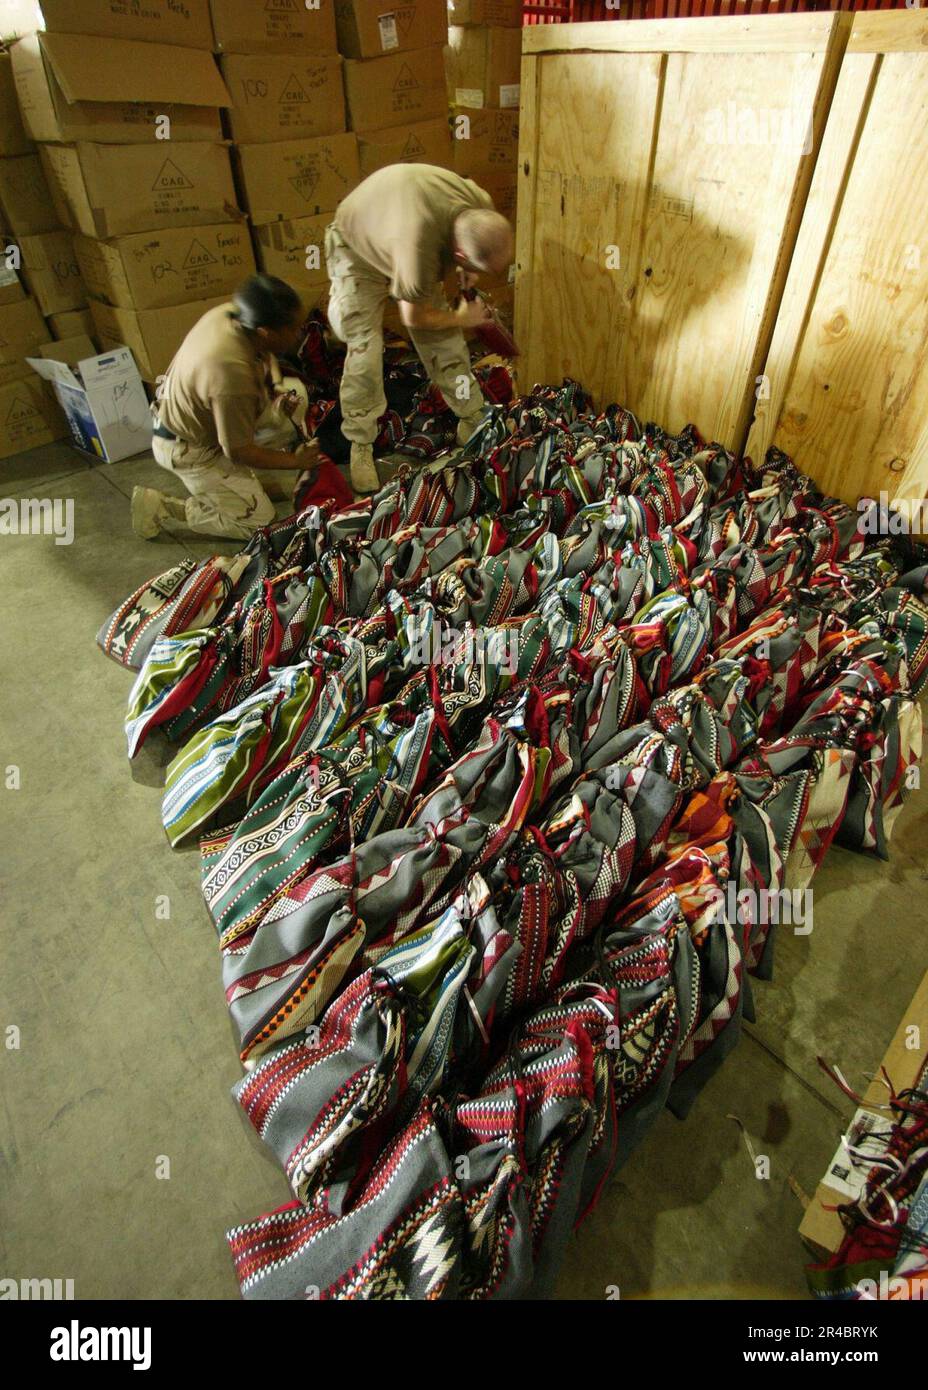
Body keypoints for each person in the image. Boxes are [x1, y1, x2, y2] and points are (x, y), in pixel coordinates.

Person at [325, 163, 514, 495]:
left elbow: (465, 249)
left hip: (403, 230)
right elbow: (412, 318)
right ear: (458, 252)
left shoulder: (480, 204)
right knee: (365, 348)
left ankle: (472, 416)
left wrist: (466, 271)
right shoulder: (418, 247)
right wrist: (464, 319)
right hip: (356, 245)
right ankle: (360, 443)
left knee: (445, 344)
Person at [131, 275, 314, 542]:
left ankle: (240, 486)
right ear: (265, 331)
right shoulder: (231, 374)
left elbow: (266, 355)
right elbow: (238, 451)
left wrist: (275, 390)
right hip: (191, 450)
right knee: (260, 525)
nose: (298, 334)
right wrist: (295, 462)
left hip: (205, 421)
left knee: (296, 394)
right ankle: (164, 507)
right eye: (292, 328)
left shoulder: (232, 315)